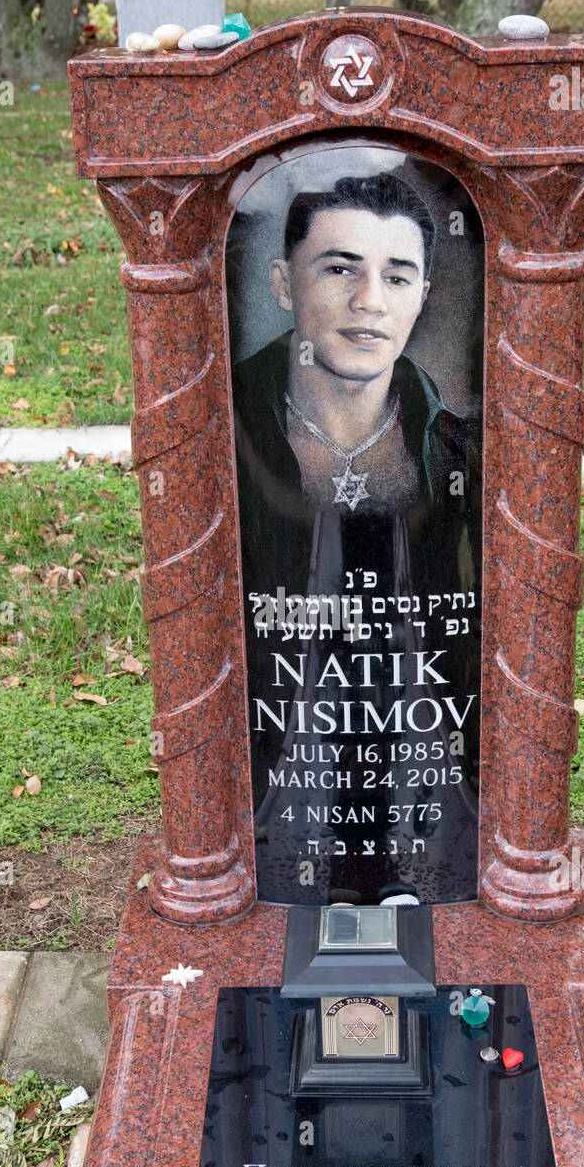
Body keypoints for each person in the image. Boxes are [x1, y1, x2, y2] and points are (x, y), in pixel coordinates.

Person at [230, 170, 481, 905]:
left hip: (422, 723)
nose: (370, 301)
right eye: (339, 268)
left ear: (423, 296)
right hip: (276, 739)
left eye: (398, 276)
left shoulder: (457, 446)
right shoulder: (225, 425)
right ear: (283, 284)